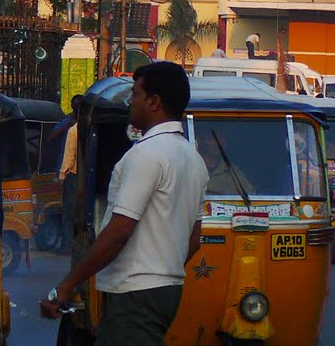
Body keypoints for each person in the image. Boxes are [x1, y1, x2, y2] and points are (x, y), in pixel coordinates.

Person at [41, 62, 210, 345]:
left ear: (154, 102)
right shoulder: (193, 158)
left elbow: (119, 231)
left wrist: (68, 284)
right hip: (165, 289)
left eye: (135, 94)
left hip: (135, 293)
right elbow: (195, 239)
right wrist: (163, 266)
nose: (130, 101)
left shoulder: (146, 155)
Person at [58, 95, 83, 252]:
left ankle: (67, 244)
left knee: (69, 212)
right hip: (85, 176)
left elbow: (69, 155)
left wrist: (62, 175)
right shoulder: (90, 129)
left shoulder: (73, 131)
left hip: (72, 176)